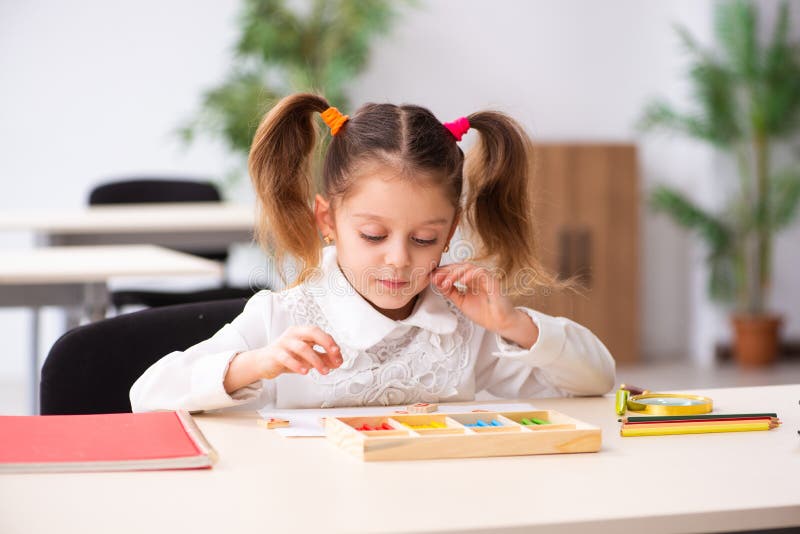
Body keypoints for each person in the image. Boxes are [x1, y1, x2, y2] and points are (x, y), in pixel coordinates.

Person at [130, 93, 615, 412]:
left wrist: (513, 324)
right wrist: (258, 363)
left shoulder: (466, 327)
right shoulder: (282, 319)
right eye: (373, 235)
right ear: (327, 221)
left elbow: (596, 379)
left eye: (424, 239)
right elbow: (147, 396)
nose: (399, 260)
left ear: (450, 232)